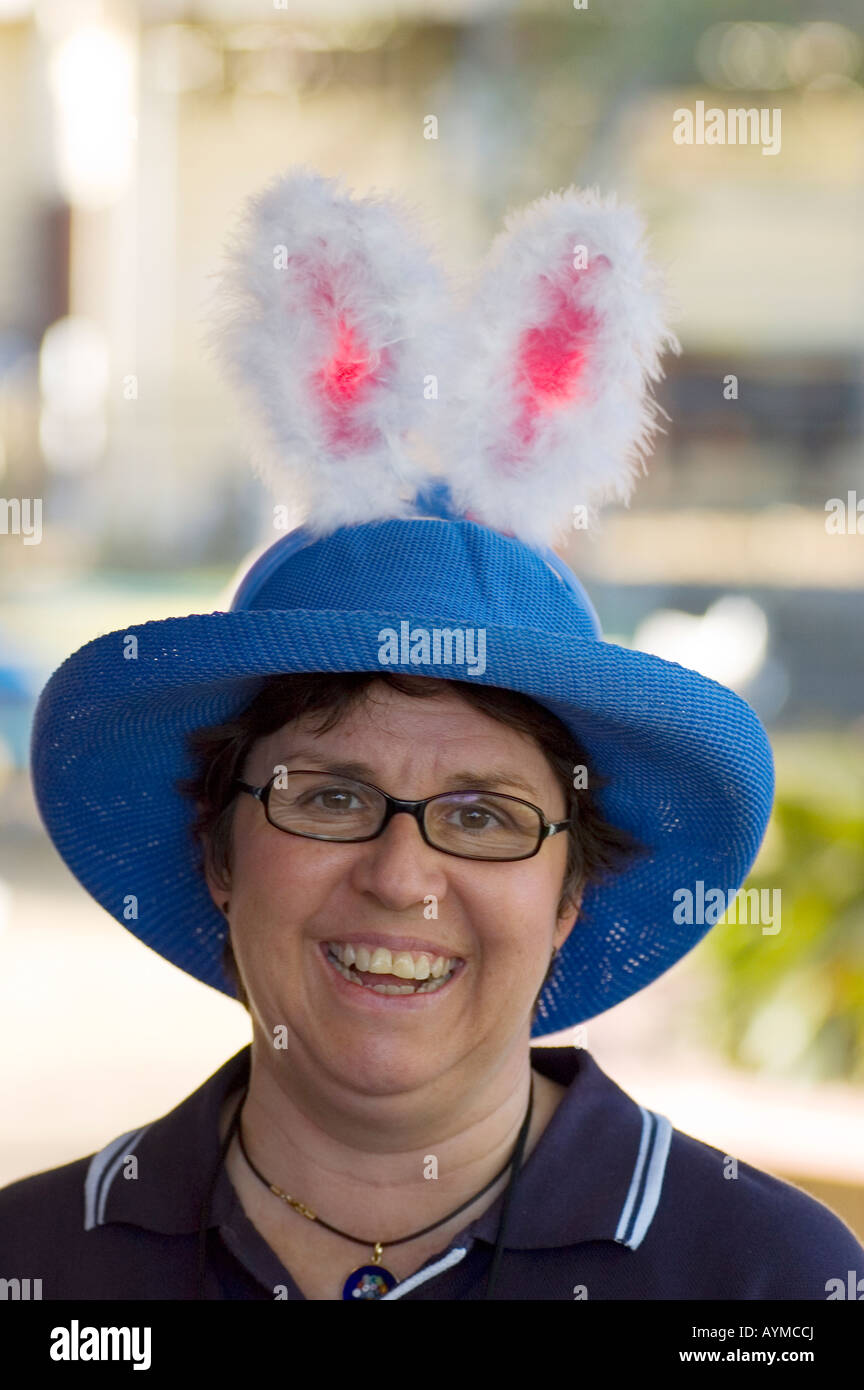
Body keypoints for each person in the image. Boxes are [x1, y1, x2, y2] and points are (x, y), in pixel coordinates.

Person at [1, 169, 861, 1301]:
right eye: (328, 796)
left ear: (567, 894)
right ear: (217, 852)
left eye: (484, 816)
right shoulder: (36, 1270)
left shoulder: (767, 1286)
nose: (403, 875)